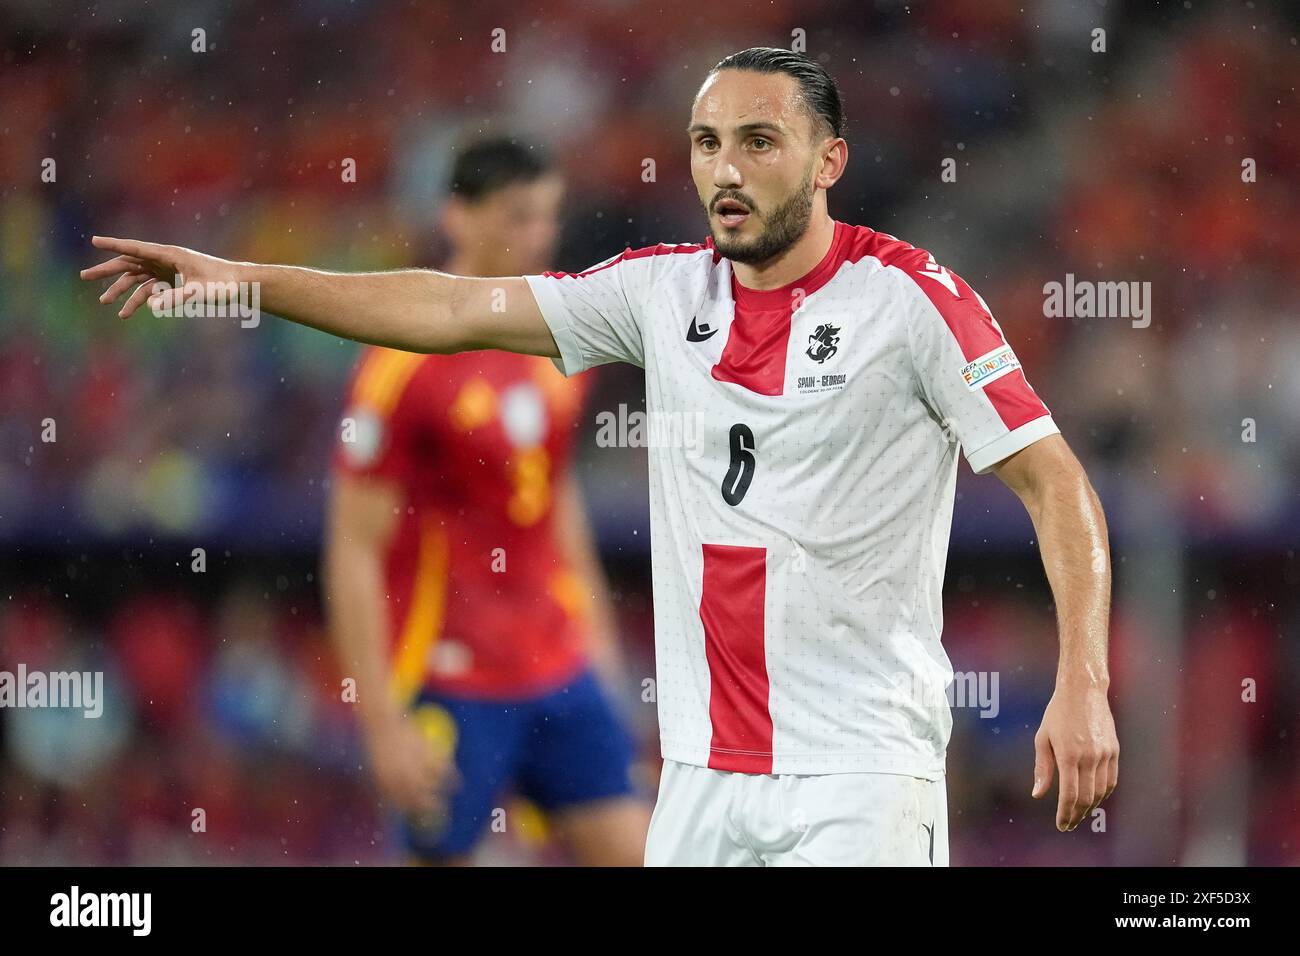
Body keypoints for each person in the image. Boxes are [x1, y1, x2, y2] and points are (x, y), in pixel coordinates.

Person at [82, 47, 1119, 866]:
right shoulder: (657, 293)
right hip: (705, 774)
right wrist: (236, 277)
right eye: (707, 141)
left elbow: (1054, 480)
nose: (725, 167)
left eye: (759, 141)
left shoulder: (913, 300)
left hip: (860, 768)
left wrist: (1082, 678)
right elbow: (447, 306)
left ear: (828, 160)